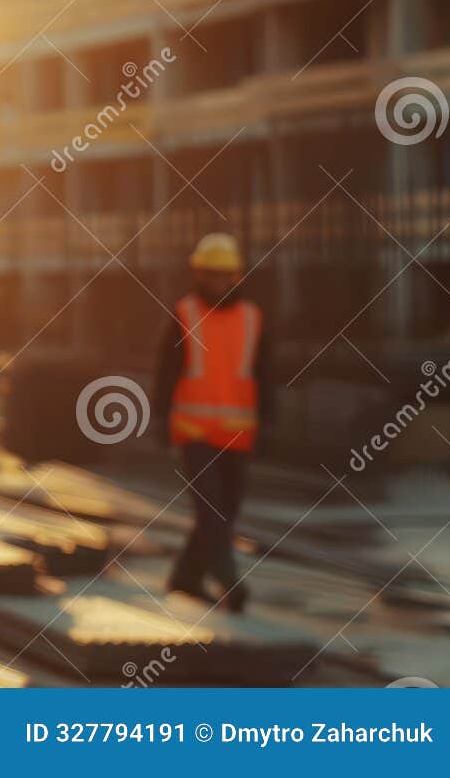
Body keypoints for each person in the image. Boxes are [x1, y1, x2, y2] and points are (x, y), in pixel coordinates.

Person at [153, 232, 273, 613]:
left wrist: (270, 421)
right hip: (194, 432)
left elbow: (265, 375)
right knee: (211, 511)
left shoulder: (253, 319)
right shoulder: (185, 314)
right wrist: (159, 418)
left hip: (238, 434)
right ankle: (229, 582)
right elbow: (165, 372)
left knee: (226, 511)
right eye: (209, 274)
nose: (216, 282)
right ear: (198, 275)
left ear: (235, 276)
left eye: (222, 275)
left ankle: (185, 577)